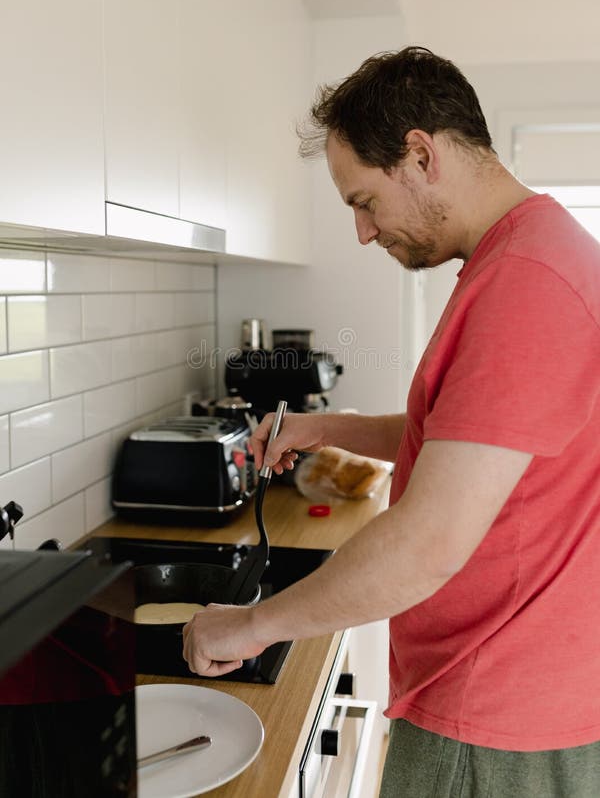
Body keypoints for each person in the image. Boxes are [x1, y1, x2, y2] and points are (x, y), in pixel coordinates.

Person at [183, 47, 600, 796]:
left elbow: (427, 545)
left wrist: (248, 627)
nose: (364, 233)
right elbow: (470, 439)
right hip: (519, 694)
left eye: (363, 200)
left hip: (493, 717)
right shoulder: (534, 255)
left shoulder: (524, 284)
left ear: (419, 155)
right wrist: (330, 427)